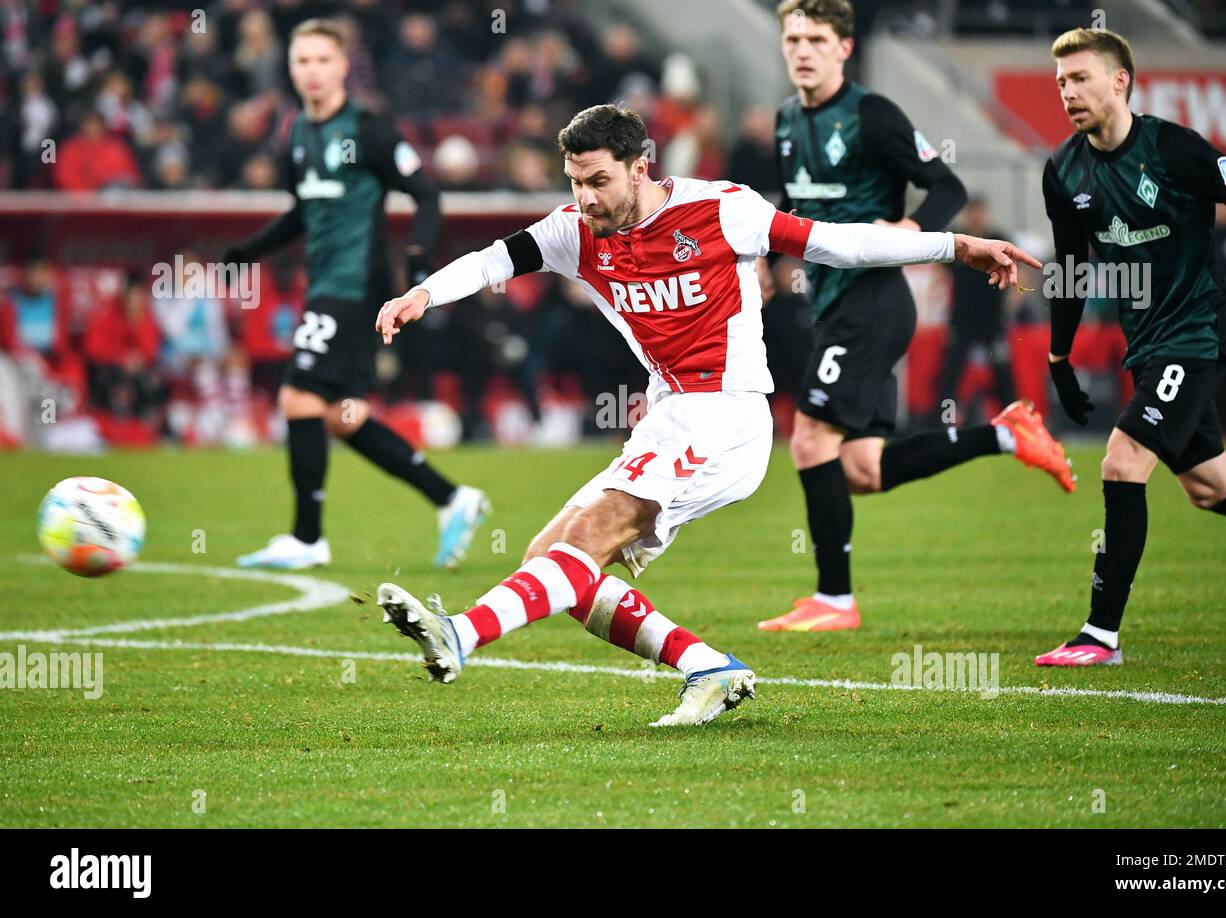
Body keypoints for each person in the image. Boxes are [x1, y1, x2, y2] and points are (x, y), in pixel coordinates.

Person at [371, 103, 1040, 725]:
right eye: (574, 181)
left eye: (598, 180)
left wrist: (954, 246)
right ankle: (708, 667)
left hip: (728, 416)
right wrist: (424, 294)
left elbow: (838, 243)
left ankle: (459, 633)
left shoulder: (722, 210)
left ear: (642, 167)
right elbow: (494, 259)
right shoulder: (575, 234)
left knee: (587, 539)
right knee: (550, 558)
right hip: (669, 416)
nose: (584, 198)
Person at [759, 0, 1074, 634]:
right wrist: (769, 258)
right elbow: (794, 205)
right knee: (862, 469)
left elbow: (948, 188)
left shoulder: (872, 115)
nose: (801, 49)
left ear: (845, 47)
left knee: (810, 438)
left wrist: (910, 227)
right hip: (833, 300)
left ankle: (835, 600)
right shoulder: (787, 119)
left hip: (872, 299)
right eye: (792, 36)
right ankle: (1007, 434)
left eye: (816, 38)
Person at [1039, 27, 1226, 666]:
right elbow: (1071, 270)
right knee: (1212, 487)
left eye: (1080, 78)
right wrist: (1058, 357)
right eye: (1061, 83)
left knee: (1122, 460)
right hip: (1149, 346)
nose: (1068, 92)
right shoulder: (1063, 171)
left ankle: (1100, 635)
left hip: (1199, 333)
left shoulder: (1173, 149)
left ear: (1119, 80)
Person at [223, 18, 488, 571]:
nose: (312, 71)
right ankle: (451, 498)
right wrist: (248, 251)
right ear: (291, 70)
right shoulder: (296, 133)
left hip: (355, 287)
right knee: (342, 415)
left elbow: (426, 193)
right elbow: (304, 210)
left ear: (343, 66)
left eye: (323, 60)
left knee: (297, 398)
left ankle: (306, 538)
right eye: (302, 61)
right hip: (326, 285)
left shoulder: (369, 129)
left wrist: (417, 258)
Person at [936, 195, 1018, 421]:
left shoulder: (998, 241)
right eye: (971, 212)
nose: (975, 217)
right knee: (950, 374)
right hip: (961, 320)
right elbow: (938, 274)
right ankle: (941, 421)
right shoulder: (957, 242)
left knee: (1003, 373)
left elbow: (1018, 274)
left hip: (992, 320)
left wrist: (1012, 303)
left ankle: (1013, 421)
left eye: (978, 211)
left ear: (985, 213)